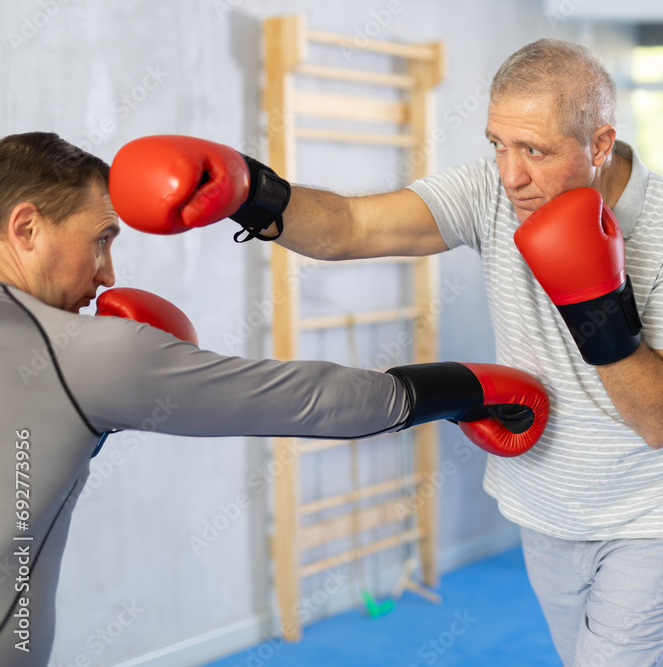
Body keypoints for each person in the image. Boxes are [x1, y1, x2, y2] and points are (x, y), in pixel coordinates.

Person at [109, 38, 663, 665]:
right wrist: (250, 192)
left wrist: (596, 306)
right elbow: (351, 227)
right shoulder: (493, 193)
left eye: (534, 151)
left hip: (649, 509)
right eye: (497, 144)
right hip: (545, 502)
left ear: (599, 144)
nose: (511, 175)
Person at [0, 132, 549, 666]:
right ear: (26, 228)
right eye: (101, 239)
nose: (108, 274)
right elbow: (320, 401)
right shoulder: (83, 355)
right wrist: (469, 389)